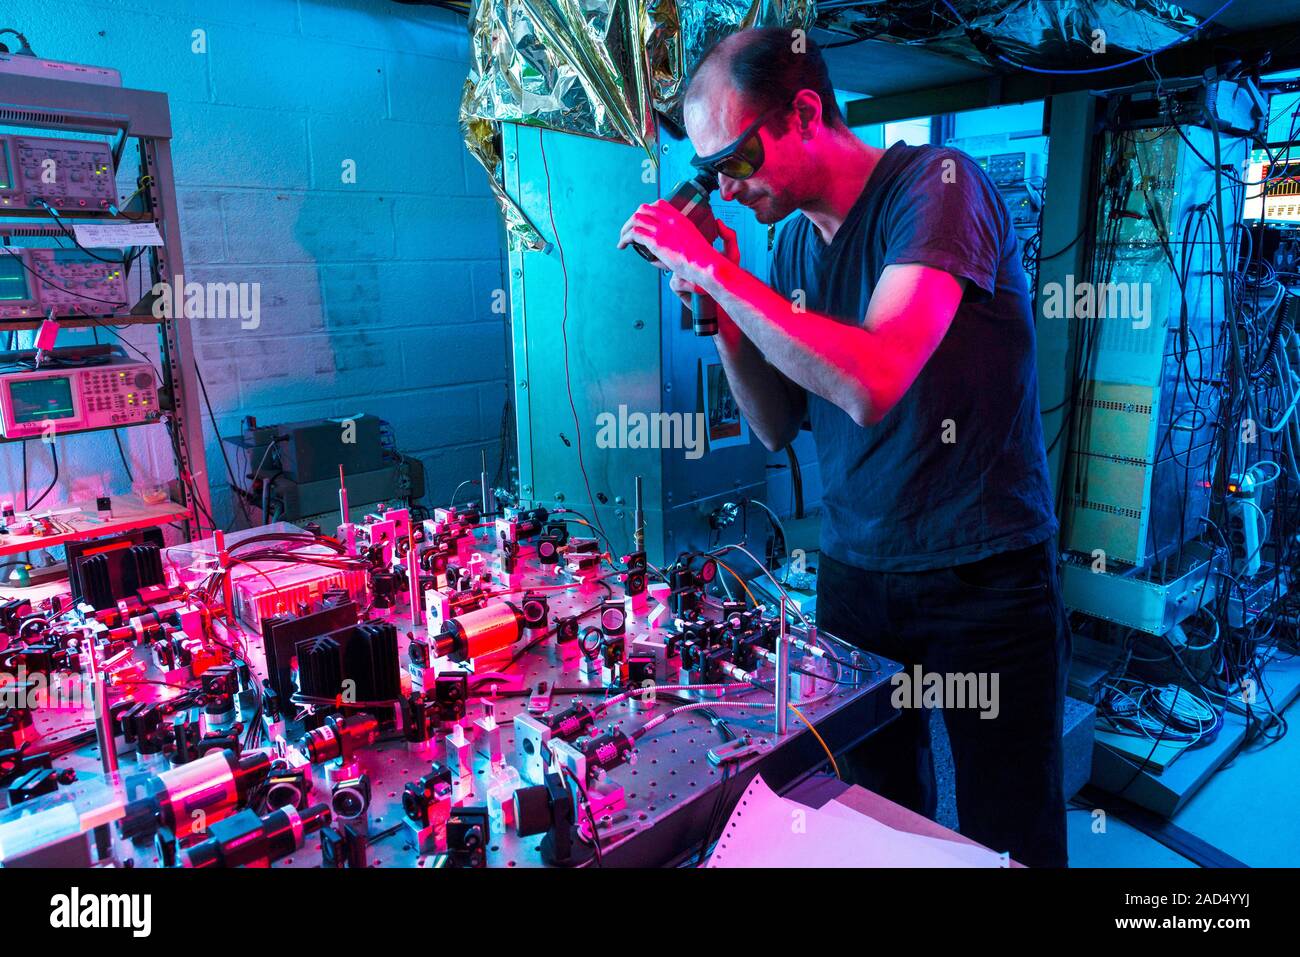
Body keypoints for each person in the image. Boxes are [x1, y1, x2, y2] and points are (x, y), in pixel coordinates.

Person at [617, 27, 1070, 867]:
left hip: (983, 575)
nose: (729, 186)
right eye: (711, 173)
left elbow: (873, 379)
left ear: (804, 114)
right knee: (873, 826)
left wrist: (720, 275)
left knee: (1008, 832)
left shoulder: (935, 186)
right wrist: (717, 311)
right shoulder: (790, 244)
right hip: (859, 577)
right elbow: (775, 425)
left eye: (737, 159)